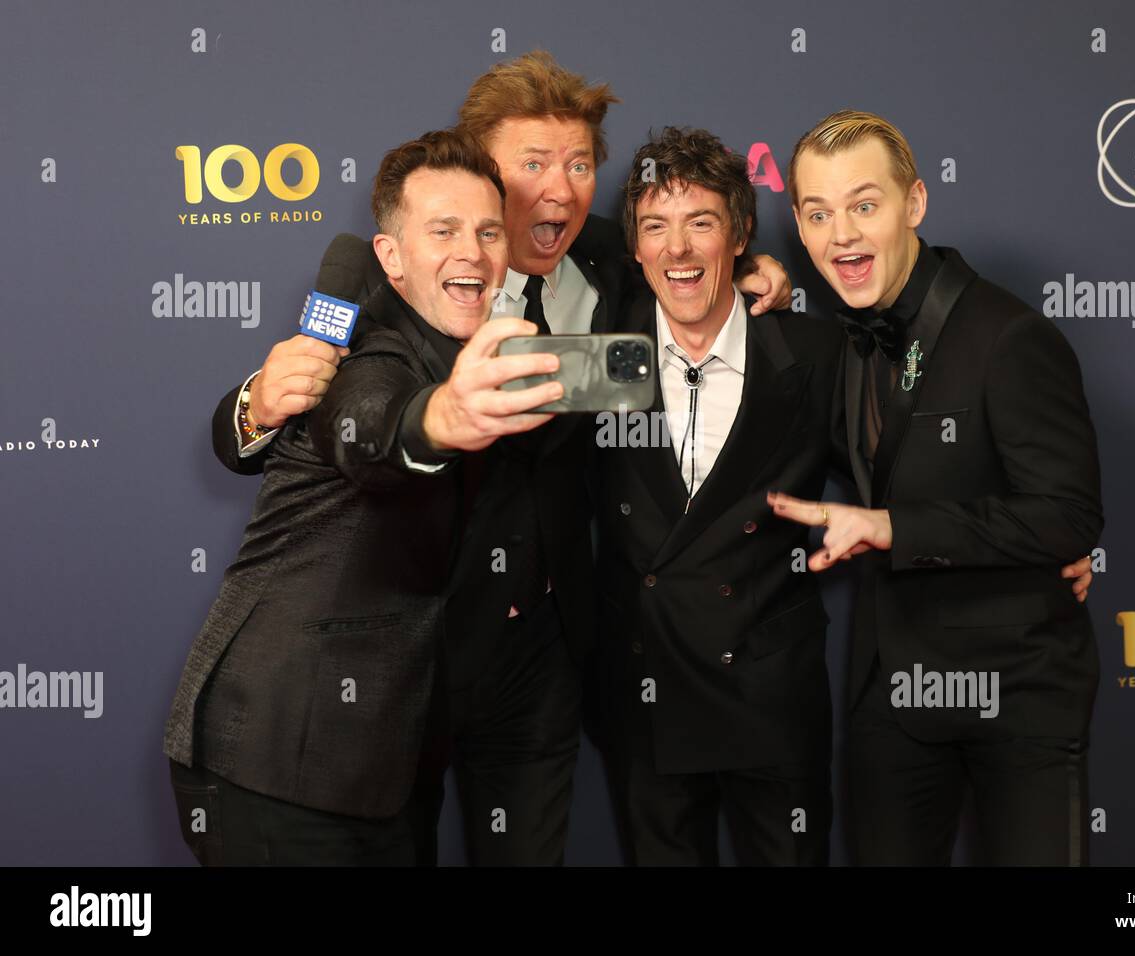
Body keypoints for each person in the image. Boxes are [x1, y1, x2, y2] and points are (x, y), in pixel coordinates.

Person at [200, 51, 794, 864]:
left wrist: (752, 270)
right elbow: (357, 416)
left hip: (545, 649)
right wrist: (257, 406)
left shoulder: (616, 257)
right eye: (533, 165)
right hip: (418, 646)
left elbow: (689, 252)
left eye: (580, 164)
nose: (561, 189)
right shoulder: (386, 281)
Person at [163, 130, 562, 864]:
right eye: (442, 231)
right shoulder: (362, 353)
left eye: (486, 232)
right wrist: (443, 420)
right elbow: (374, 427)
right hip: (276, 759)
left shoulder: (468, 344)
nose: (471, 252)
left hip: (389, 762)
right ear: (392, 258)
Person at [771, 110, 1103, 865]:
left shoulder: (1009, 336)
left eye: (865, 205)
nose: (842, 235)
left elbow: (1067, 515)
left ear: (914, 203)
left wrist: (895, 528)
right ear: (797, 222)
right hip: (891, 693)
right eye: (819, 214)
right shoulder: (840, 339)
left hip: (1018, 693)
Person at [593, 127, 848, 865]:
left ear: (737, 235)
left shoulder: (814, 355)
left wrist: (1008, 541)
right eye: (655, 228)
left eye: (700, 223)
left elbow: (900, 474)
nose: (678, 250)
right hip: (647, 690)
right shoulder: (599, 354)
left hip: (772, 693)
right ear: (633, 248)